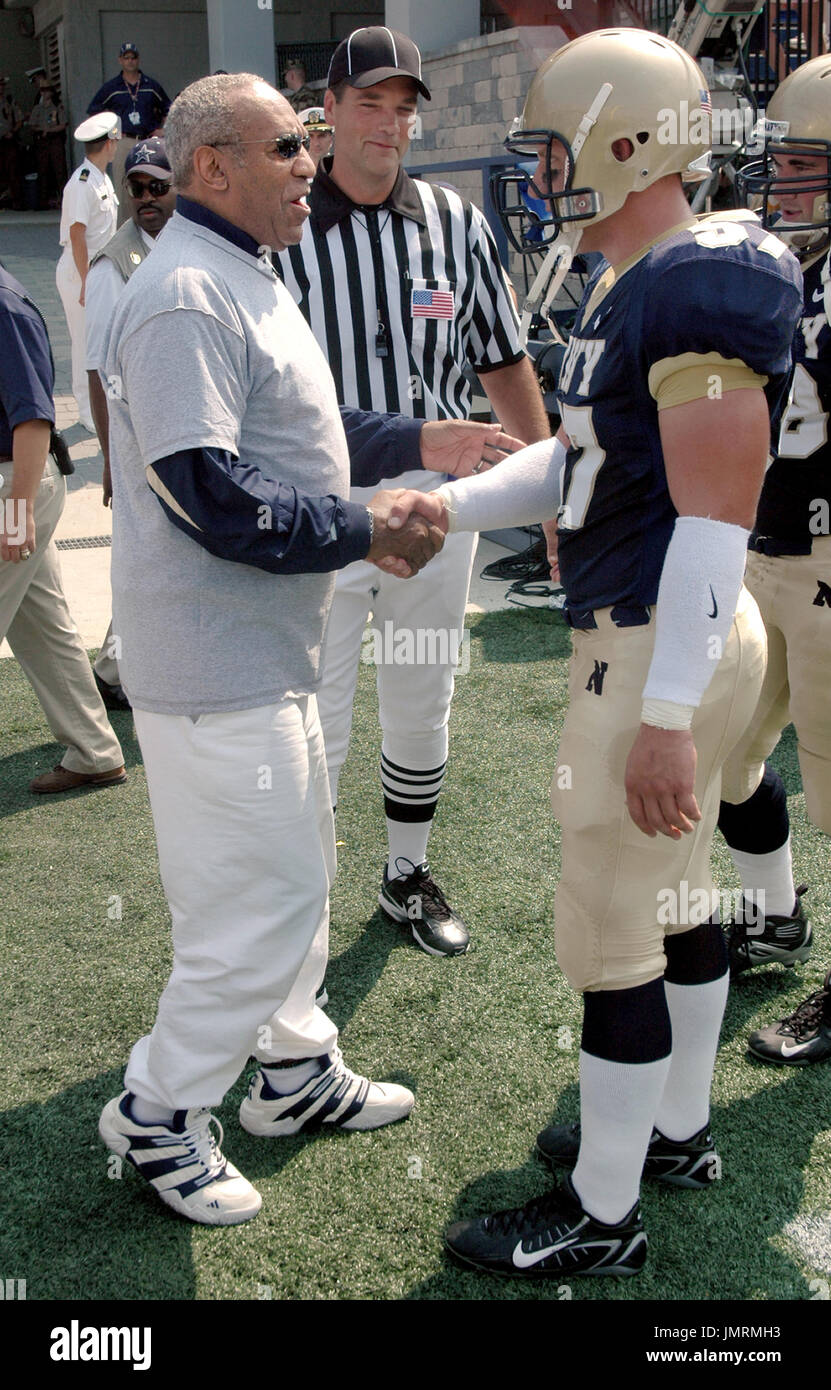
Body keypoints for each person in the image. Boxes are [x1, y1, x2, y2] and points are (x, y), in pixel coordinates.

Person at [387, 28, 802, 1276]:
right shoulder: (643, 277)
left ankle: (602, 1215)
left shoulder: (691, 283)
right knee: (675, 905)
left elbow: (717, 516)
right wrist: (447, 505)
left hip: (654, 647)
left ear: (630, 144)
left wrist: (666, 712)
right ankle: (673, 1128)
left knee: (613, 939)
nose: (542, 176)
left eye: (558, 149)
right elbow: (582, 460)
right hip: (672, 636)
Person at [96, 73, 515, 1227]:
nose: (310, 162)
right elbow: (211, 492)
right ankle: (155, 1110)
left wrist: (418, 438)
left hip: (257, 653)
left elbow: (306, 437)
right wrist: (368, 522)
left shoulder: (245, 272)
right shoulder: (188, 291)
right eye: (289, 143)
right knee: (263, 905)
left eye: (310, 141)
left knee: (291, 879)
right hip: (219, 664)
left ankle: (290, 1070)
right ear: (213, 165)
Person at [276, 26, 549, 958]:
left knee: (422, 697)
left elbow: (504, 362)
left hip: (439, 509)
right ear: (330, 109)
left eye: (402, 110)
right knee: (315, 720)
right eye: (369, 105)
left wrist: (548, 489)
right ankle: (299, 905)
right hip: (326, 509)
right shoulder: (282, 227)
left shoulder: (455, 223)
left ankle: (403, 873)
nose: (387, 127)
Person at [714, 54, 831, 1067]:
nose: (782, 182)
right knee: (729, 748)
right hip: (766, 547)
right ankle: (778, 914)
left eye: (804, 161)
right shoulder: (792, 264)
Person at [0, 266, 126, 793]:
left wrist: (17, 514)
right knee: (43, 625)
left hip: (13, 486)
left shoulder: (4, 305)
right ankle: (95, 750)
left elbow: (33, 420)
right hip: (18, 487)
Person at [85, 135, 177, 710]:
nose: (145, 198)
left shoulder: (192, 244)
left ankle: (118, 665)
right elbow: (99, 370)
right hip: (140, 433)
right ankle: (119, 668)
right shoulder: (113, 266)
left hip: (183, 424)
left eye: (157, 187)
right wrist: (112, 457)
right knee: (149, 554)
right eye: (136, 188)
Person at [56, 113, 119, 431]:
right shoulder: (82, 182)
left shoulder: (101, 177)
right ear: (110, 143)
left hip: (97, 270)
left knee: (101, 340)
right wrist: (85, 282)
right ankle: (85, 411)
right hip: (80, 270)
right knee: (84, 342)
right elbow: (77, 234)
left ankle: (101, 404)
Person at [87, 43, 170, 223]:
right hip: (124, 140)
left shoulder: (150, 85)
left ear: (138, 60)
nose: (130, 61)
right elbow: (94, 111)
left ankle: (151, 226)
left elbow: (168, 108)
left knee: (151, 182)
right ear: (120, 60)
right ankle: (125, 230)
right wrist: (112, 131)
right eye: (126, 58)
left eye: (133, 57)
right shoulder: (112, 87)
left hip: (147, 140)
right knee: (124, 186)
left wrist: (161, 130)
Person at [27, 82, 68, 209]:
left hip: (54, 140)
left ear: (51, 92)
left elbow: (63, 124)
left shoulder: (57, 107)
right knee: (42, 171)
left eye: (46, 90)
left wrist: (49, 130)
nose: (44, 93)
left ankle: (64, 200)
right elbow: (32, 125)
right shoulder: (37, 109)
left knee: (59, 170)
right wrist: (41, 129)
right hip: (42, 141)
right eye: (42, 90)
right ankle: (42, 201)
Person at [0, 76, 24, 210]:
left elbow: (20, 120)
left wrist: (13, 132)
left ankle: (16, 202)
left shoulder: (10, 101)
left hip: (8, 141)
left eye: (2, 85)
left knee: (13, 171)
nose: (1, 87)